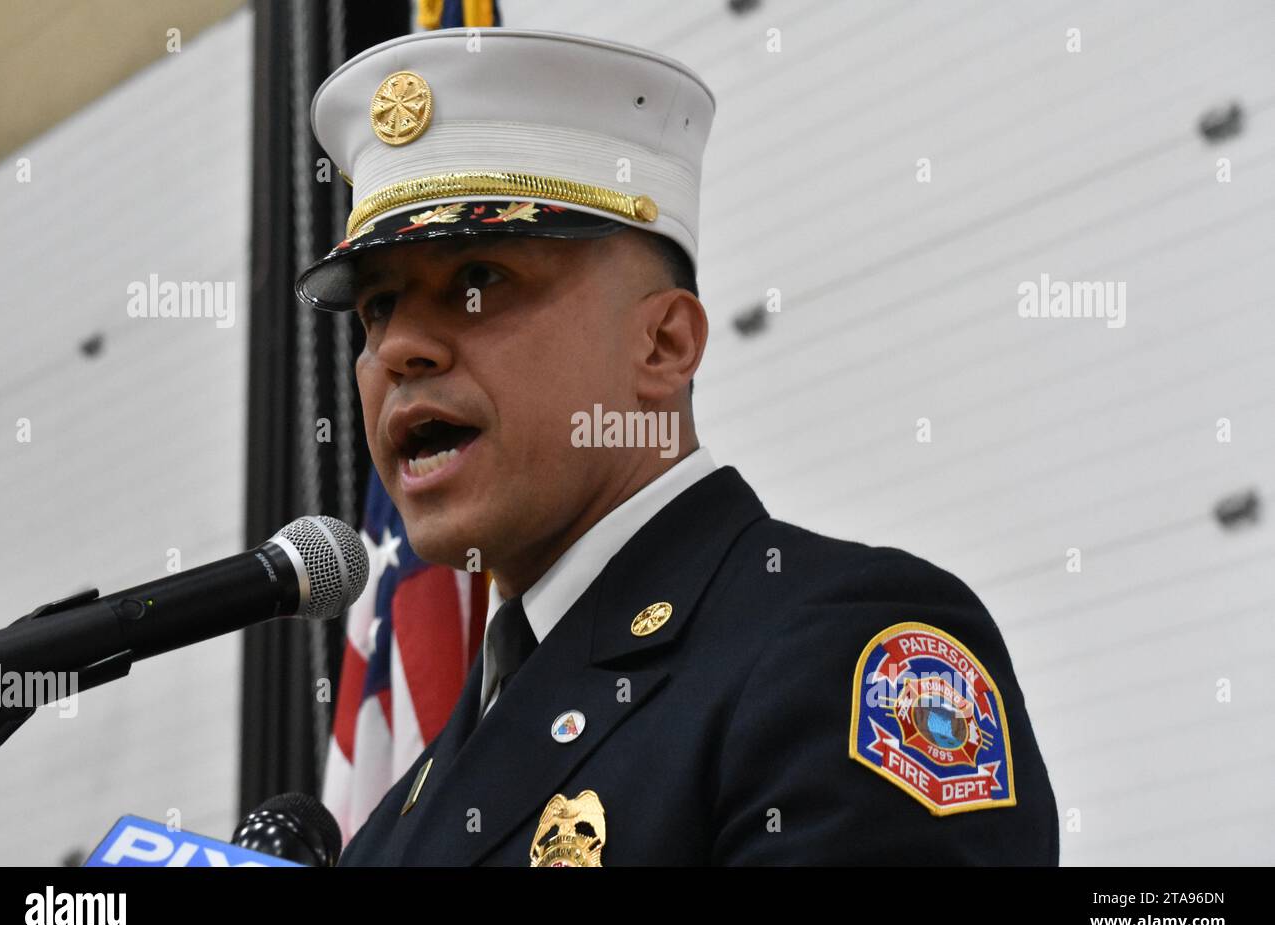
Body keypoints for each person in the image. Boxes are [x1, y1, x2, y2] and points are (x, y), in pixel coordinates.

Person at [295, 27, 1059, 866]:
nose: (401, 348)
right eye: (376, 309)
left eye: (478, 282)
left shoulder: (847, 651)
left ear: (662, 346)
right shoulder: (398, 818)